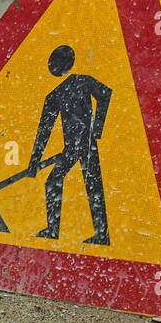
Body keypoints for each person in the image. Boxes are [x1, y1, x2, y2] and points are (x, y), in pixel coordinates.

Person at [27, 45, 112, 245]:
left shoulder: (81, 81)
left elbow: (106, 94)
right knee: (57, 182)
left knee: (93, 185)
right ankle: (54, 230)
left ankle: (101, 234)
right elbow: (44, 130)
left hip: (87, 144)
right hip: (73, 148)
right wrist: (34, 161)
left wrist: (97, 130)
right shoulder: (55, 94)